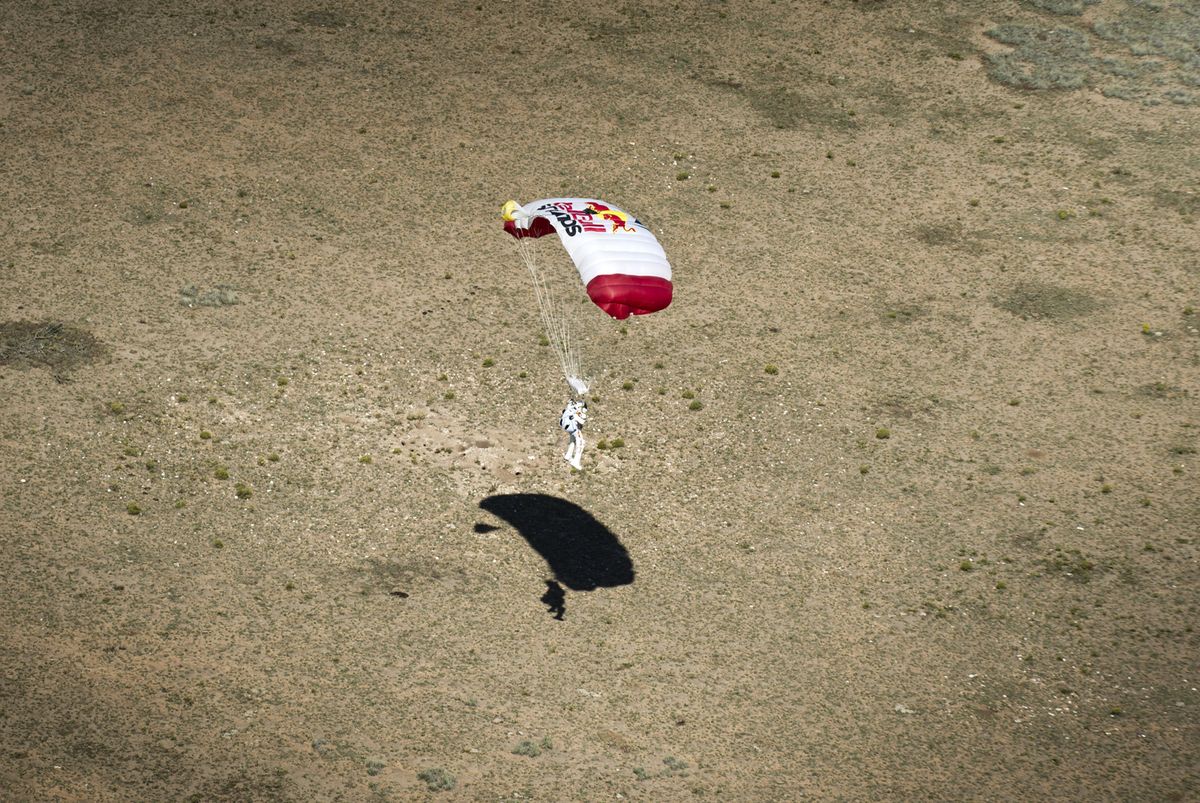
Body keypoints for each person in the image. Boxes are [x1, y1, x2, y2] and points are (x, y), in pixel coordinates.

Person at [559, 399, 588, 470]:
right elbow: (581, 421)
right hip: (573, 427)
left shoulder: (570, 406)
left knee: (573, 440)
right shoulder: (578, 410)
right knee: (581, 442)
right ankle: (576, 461)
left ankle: (568, 455)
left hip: (567, 426)